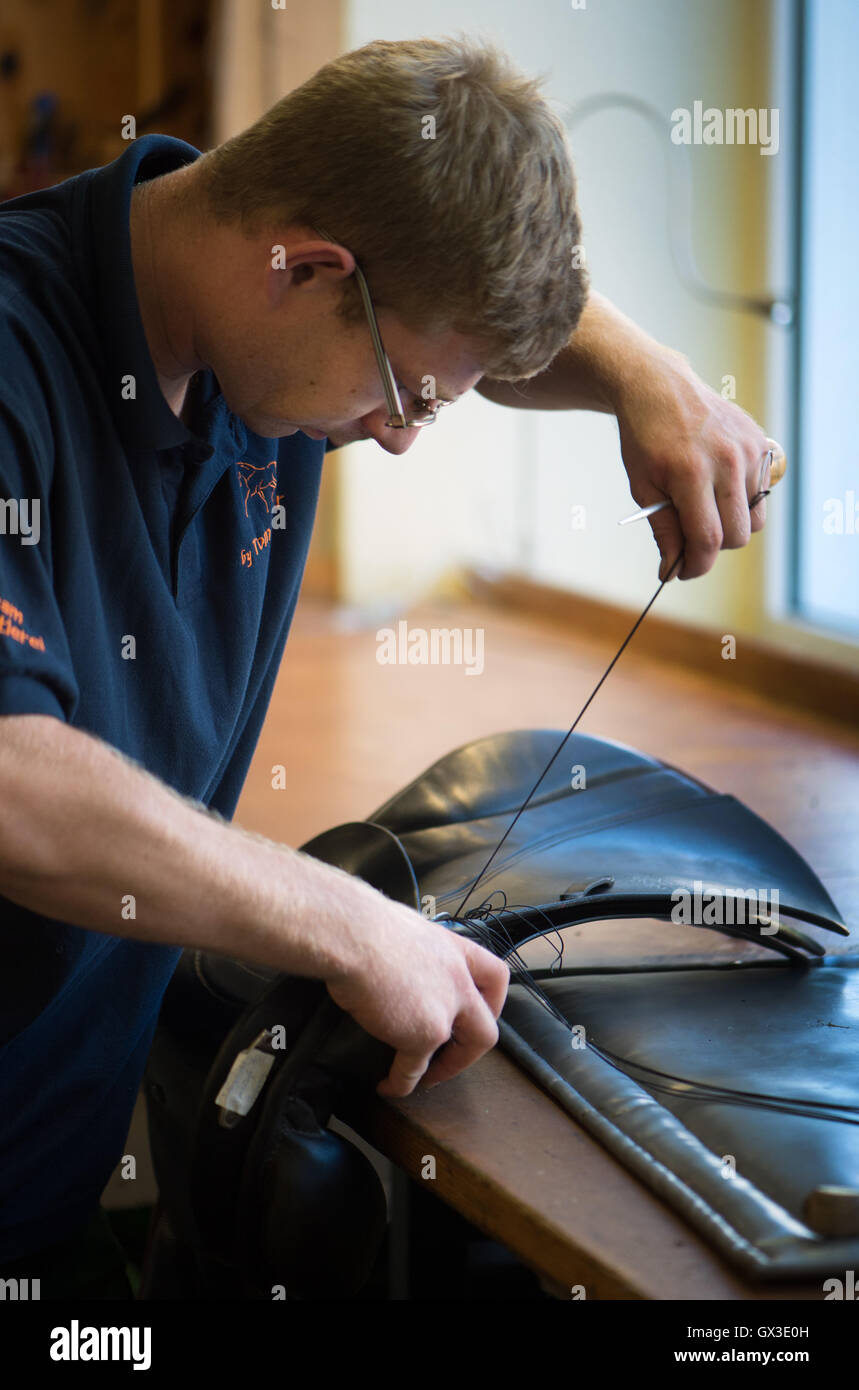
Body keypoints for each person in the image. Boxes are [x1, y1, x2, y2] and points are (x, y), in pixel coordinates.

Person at [0, 35, 771, 1295]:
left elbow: (448, 282)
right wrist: (350, 924)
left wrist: (651, 377)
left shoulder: (262, 334)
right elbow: (10, 781)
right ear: (305, 270)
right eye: (409, 396)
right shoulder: (14, 361)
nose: (396, 439)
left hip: (64, 1168)